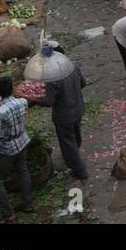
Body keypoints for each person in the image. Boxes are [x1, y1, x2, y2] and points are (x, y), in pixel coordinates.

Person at [27, 49, 88, 180]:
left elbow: (49, 102)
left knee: (68, 143)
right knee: (75, 134)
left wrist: (34, 100)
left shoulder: (53, 78)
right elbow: (83, 83)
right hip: (78, 108)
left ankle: (80, 171)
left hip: (64, 116)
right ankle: (76, 153)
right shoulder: (73, 67)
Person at [0, 76, 34, 223]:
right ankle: (27, 204)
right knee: (23, 171)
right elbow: (28, 100)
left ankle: (8, 215)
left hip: (8, 149)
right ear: (12, 88)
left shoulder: (0, 112)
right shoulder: (22, 102)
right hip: (23, 142)